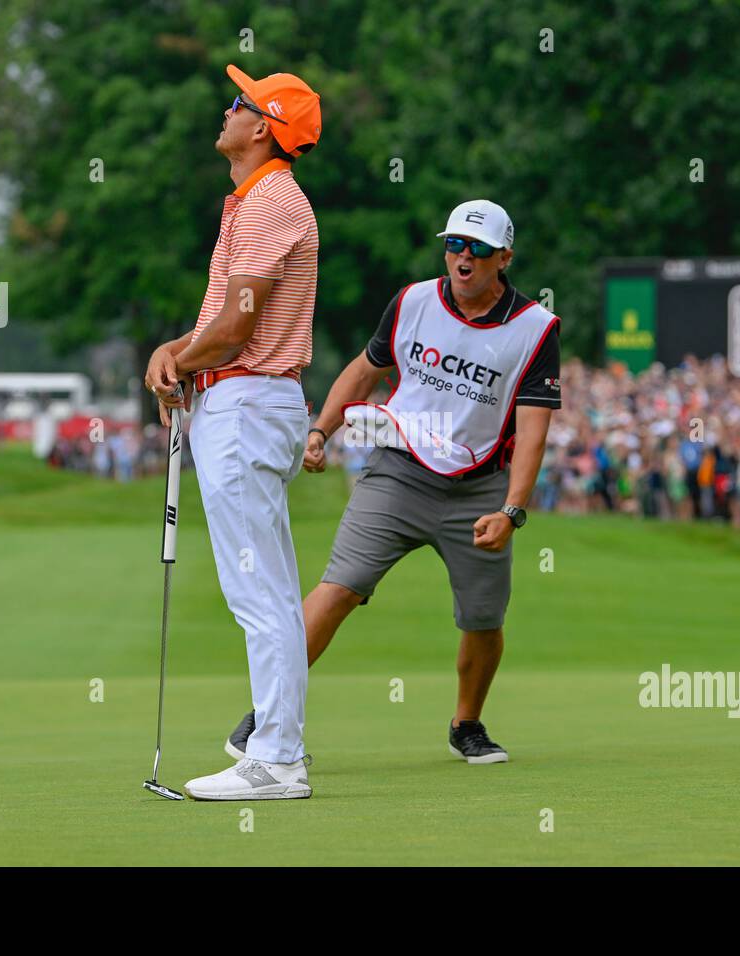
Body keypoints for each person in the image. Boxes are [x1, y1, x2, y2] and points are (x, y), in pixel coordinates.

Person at [225, 199, 561, 764]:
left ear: (503, 257)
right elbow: (365, 369)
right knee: (340, 587)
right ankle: (266, 716)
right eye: (455, 244)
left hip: (479, 487)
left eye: (478, 249)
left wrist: (513, 510)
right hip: (397, 472)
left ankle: (466, 724)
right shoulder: (413, 301)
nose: (463, 257)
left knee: (483, 618)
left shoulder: (535, 327)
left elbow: (533, 429)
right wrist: (320, 430)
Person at [142, 65, 322, 800]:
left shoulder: (274, 200)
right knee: (268, 590)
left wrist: (179, 356)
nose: (227, 108)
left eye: (242, 103)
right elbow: (222, 320)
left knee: (259, 592)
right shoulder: (251, 201)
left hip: (247, 406)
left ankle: (277, 759)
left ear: (263, 128)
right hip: (240, 402)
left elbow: (240, 327)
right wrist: (177, 352)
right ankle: (278, 752)